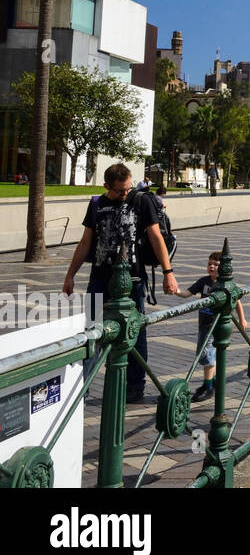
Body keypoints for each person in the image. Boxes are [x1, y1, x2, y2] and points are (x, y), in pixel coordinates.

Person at [61, 163, 180, 404]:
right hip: (100, 278)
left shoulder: (142, 201)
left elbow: (156, 237)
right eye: (120, 191)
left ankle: (135, 386)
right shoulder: (97, 204)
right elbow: (86, 242)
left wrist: (169, 272)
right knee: (92, 330)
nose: (125, 194)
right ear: (107, 186)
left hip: (133, 280)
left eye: (128, 189)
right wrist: (70, 275)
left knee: (135, 333)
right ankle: (81, 388)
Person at [187, 251, 249, 403]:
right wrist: (175, 290)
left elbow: (237, 301)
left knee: (206, 355)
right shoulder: (204, 281)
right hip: (203, 324)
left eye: (216, 265)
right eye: (209, 264)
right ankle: (213, 381)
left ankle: (208, 387)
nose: (212, 267)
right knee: (206, 354)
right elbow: (187, 293)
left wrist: (242, 319)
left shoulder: (225, 284)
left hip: (215, 325)